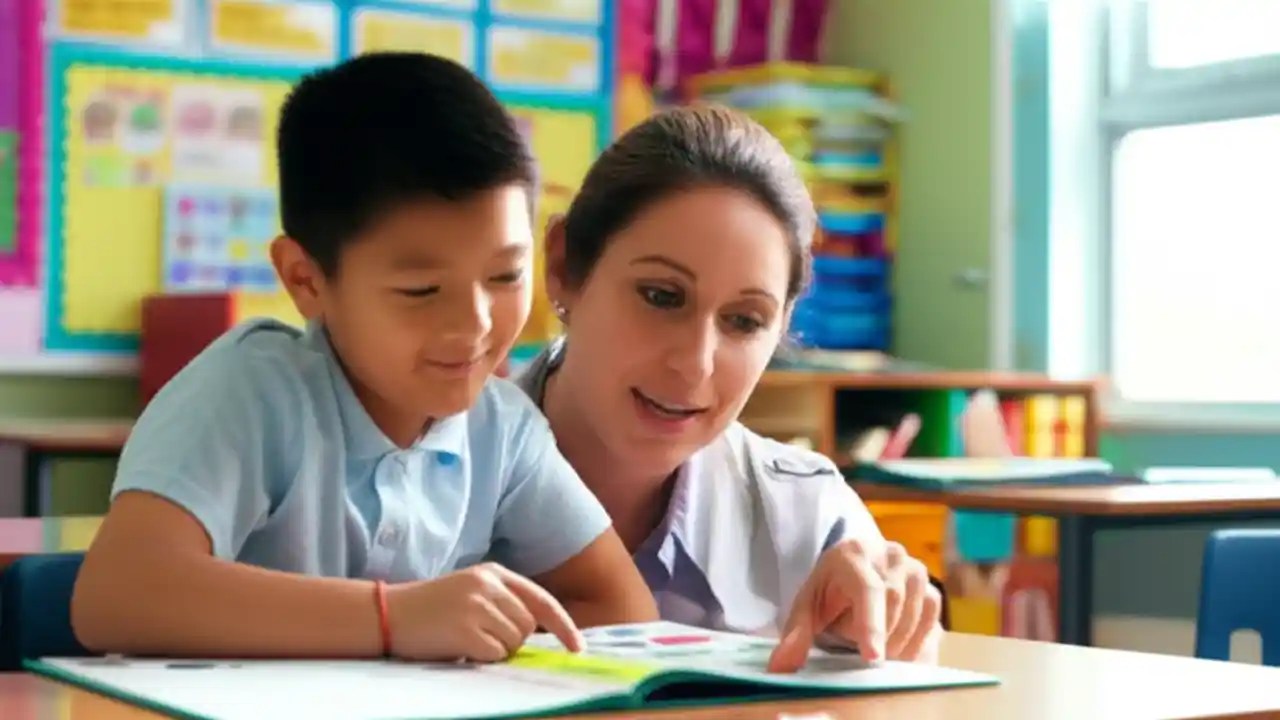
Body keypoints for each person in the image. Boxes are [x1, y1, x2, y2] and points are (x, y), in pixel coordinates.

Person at [71, 52, 657, 663]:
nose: (475, 324)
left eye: (506, 275)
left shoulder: (504, 431)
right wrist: (393, 619)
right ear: (305, 280)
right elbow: (116, 595)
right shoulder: (253, 391)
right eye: (421, 291)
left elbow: (622, 609)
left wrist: (475, 631)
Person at [515, 105, 943, 672]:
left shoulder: (805, 517)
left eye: (744, 321)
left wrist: (890, 622)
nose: (695, 366)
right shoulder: (414, 477)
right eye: (661, 296)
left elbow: (908, 670)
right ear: (565, 266)